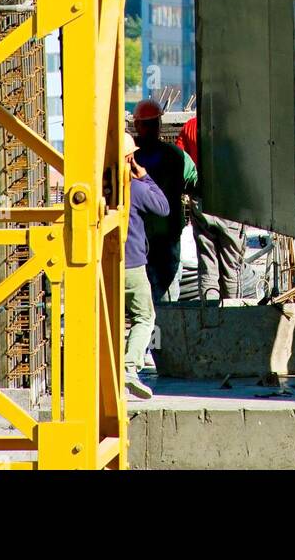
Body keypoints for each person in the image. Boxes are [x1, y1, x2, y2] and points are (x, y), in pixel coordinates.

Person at [176, 113, 247, 302]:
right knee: (231, 265)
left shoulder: (190, 126)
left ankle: (210, 314)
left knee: (207, 263)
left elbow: (180, 162)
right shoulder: (233, 128)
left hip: (201, 199)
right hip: (230, 201)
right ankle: (232, 316)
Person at [132, 99, 198, 302]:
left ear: (136, 125)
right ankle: (163, 331)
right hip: (164, 238)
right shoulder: (176, 157)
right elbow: (194, 184)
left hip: (136, 240)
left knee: (141, 302)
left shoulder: (128, 158)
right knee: (166, 300)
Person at [122, 132, 170, 400]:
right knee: (144, 317)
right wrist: (145, 176)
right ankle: (129, 367)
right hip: (132, 266)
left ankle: (105, 369)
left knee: (112, 320)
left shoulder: (99, 189)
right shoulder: (137, 189)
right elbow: (163, 207)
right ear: (129, 158)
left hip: (103, 267)